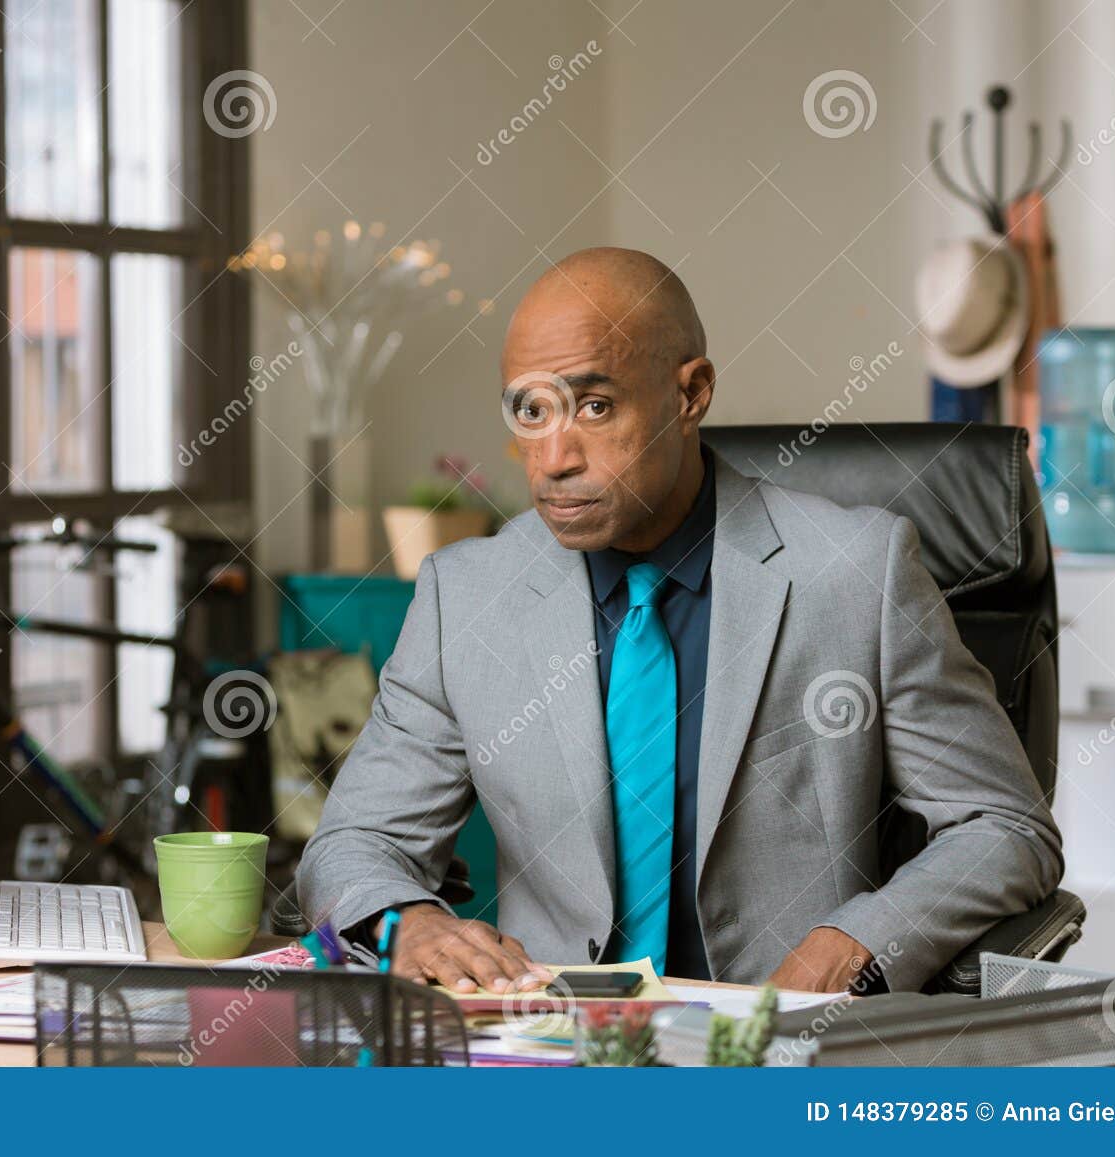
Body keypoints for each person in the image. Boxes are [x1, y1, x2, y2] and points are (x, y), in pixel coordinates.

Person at [295, 247, 1063, 994]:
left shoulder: (855, 572)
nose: (553, 456)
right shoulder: (464, 596)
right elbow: (355, 843)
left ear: (691, 393)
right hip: (550, 1050)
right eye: (531, 410)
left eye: (595, 406)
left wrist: (858, 939)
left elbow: (1005, 827)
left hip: (772, 1054)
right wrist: (408, 920)